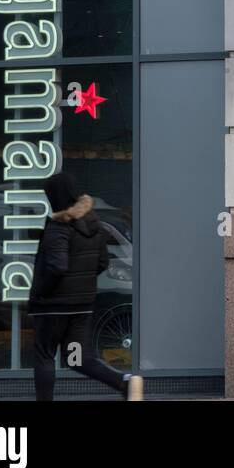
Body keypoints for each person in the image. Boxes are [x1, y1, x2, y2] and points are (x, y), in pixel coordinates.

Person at [29, 171, 144, 400]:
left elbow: (57, 267)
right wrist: (81, 283)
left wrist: (40, 292)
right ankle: (124, 384)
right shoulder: (94, 225)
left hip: (53, 306)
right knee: (78, 359)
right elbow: (102, 262)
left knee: (44, 355)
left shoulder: (58, 227)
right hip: (81, 306)